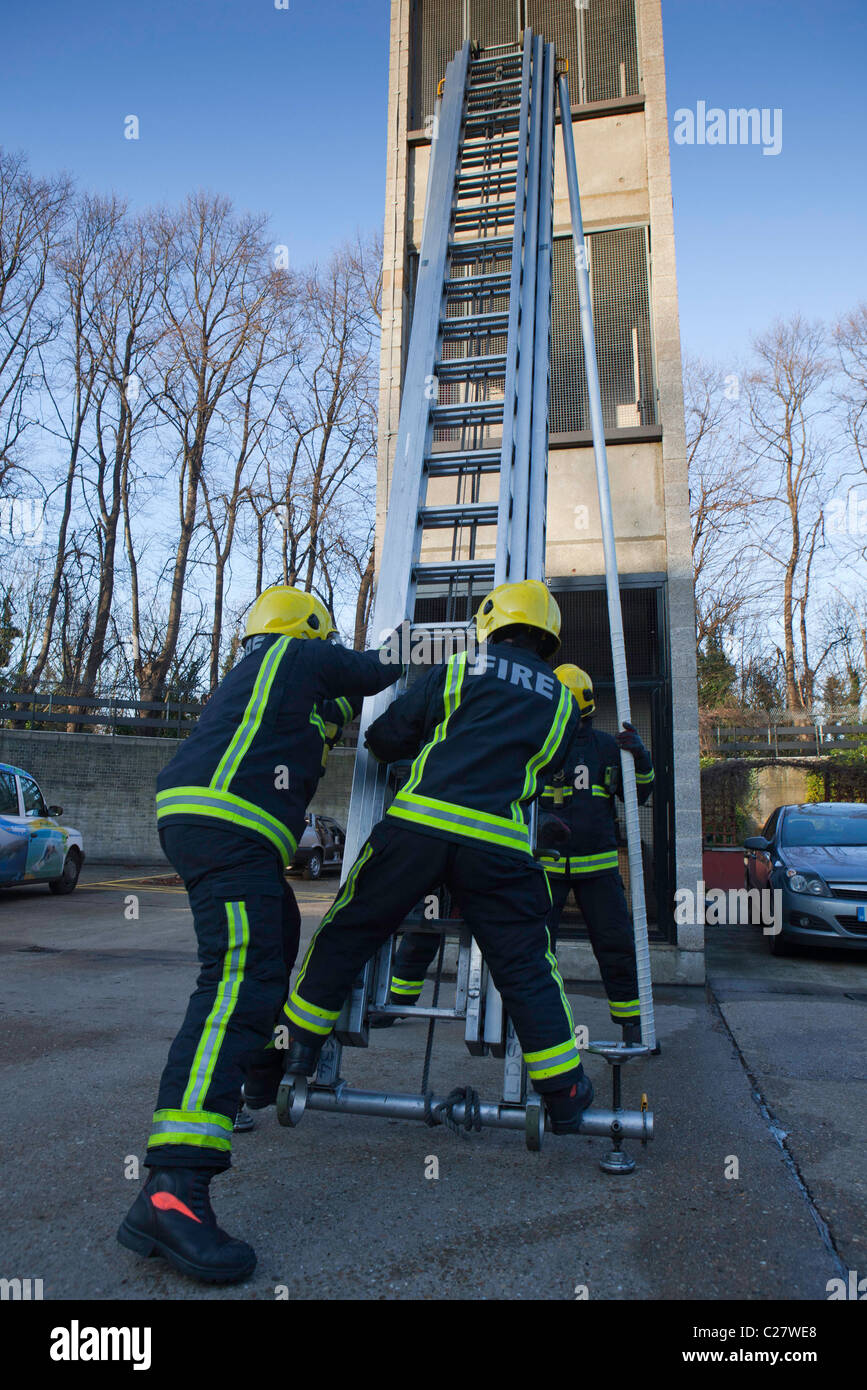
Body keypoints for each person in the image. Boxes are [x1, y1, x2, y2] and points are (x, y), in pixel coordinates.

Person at [117, 585, 402, 1284]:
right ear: (307, 631)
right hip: (228, 824)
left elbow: (327, 710)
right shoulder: (297, 656)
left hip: (209, 821)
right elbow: (373, 669)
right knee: (237, 980)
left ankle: (256, 1079)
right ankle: (171, 1189)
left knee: (273, 936)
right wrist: (457, 645)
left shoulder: (262, 675)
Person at [281, 580, 595, 1137]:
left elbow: (384, 738)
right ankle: (565, 1092)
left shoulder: (459, 667)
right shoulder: (562, 703)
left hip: (419, 827)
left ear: (492, 620)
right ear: (549, 634)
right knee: (526, 964)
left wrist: (428, 748)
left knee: (349, 930)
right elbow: (545, 772)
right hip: (498, 844)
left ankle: (296, 1051)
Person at [538, 664, 655, 1044]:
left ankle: (633, 1027)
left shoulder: (608, 747)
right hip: (545, 866)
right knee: (536, 949)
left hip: (598, 869)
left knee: (617, 946)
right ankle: (537, 1028)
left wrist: (641, 760)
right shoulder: (536, 745)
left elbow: (638, 796)